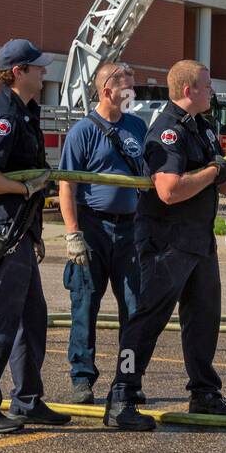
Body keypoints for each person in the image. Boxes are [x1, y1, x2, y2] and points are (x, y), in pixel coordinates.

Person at [104, 59, 226, 430]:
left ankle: (204, 394)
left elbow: (223, 183)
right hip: (166, 241)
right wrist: (210, 171)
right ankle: (121, 394)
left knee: (204, 317)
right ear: (188, 91)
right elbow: (169, 190)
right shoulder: (167, 130)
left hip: (197, 239)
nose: (212, 93)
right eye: (206, 86)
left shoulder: (201, 127)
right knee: (148, 319)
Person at [0, 39, 71, 433]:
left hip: (20, 228)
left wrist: (35, 222)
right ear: (19, 72)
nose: (44, 73)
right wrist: (25, 189)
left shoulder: (26, 112)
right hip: (1, 230)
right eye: (37, 68)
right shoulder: (5, 114)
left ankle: (27, 399)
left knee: (31, 317)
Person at [57, 61, 147, 404]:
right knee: (84, 305)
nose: (132, 92)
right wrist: (72, 234)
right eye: (128, 86)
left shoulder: (137, 127)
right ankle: (82, 379)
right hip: (93, 228)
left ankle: (128, 379)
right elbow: (67, 186)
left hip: (130, 230)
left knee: (134, 309)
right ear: (107, 90)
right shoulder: (83, 132)